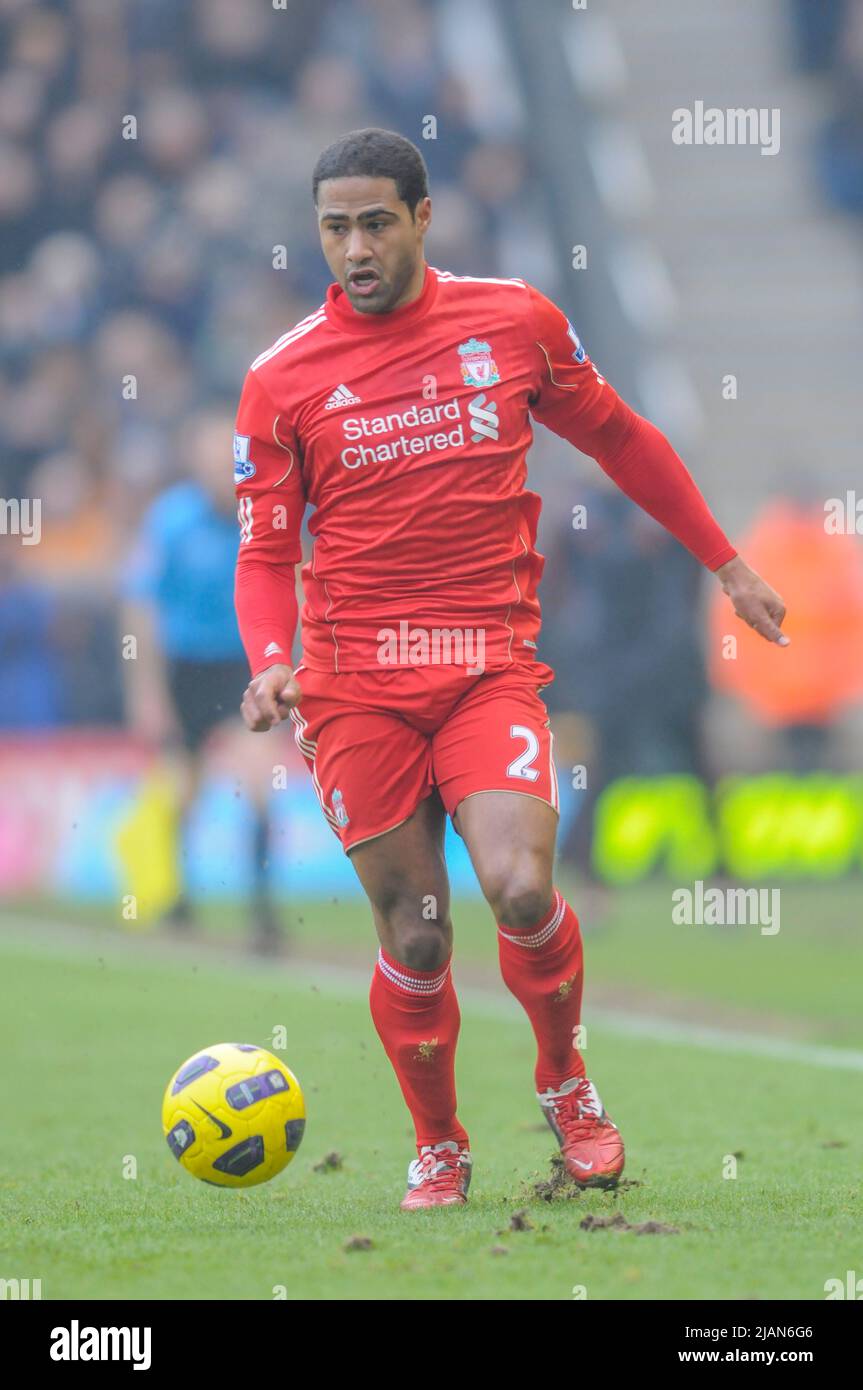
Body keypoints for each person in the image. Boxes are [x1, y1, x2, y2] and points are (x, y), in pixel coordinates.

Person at [233, 128, 788, 1209]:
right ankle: (437, 1140)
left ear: (422, 218)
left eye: (375, 223)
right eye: (334, 227)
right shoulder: (279, 380)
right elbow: (261, 552)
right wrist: (268, 663)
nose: (354, 246)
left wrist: (723, 562)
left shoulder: (512, 322)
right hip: (354, 685)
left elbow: (620, 436)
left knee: (523, 887)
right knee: (418, 929)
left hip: (486, 663)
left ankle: (565, 1081)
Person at [123, 405, 283, 954]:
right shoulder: (170, 520)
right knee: (186, 791)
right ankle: (182, 898)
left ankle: (263, 912)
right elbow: (140, 609)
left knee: (261, 785)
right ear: (194, 463)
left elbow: (296, 585)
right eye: (212, 460)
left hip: (242, 667)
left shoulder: (263, 515)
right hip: (184, 669)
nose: (223, 472)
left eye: (230, 461)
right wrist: (148, 694)